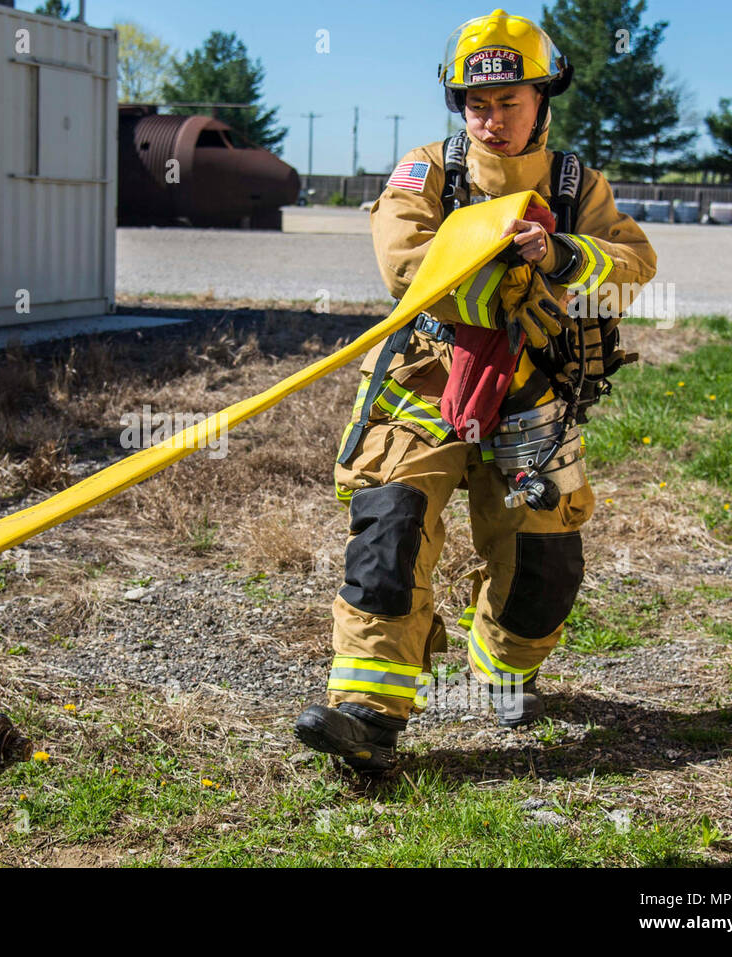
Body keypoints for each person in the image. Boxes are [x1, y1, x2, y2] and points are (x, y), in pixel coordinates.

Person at [295, 9, 658, 771]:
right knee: (391, 525)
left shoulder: (576, 185)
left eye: (509, 103)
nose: (491, 121)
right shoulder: (425, 172)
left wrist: (561, 253)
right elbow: (405, 266)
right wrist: (504, 274)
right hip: (427, 379)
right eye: (477, 105)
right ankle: (367, 717)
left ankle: (502, 664)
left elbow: (632, 264)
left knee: (547, 563)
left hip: (534, 390)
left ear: (543, 101)